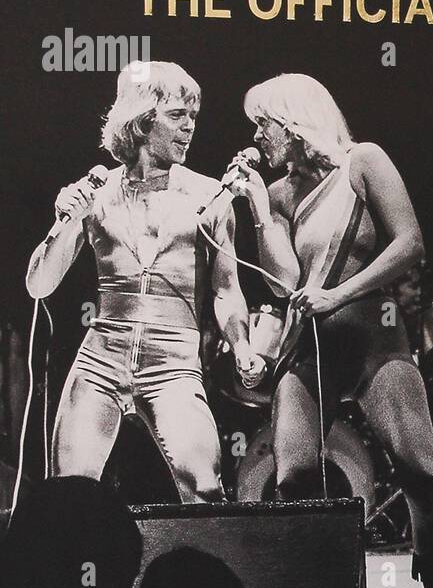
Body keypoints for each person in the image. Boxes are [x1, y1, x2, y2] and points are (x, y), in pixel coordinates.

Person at [234, 74, 433, 588]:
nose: (258, 137)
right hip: (311, 351)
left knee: (420, 471)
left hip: (376, 343)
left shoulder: (364, 162)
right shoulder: (282, 194)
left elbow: (410, 243)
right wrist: (260, 211)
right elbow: (284, 282)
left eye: (263, 124)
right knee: (295, 478)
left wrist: (338, 293)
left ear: (292, 122)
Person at [25, 61, 261, 502]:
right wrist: (66, 220)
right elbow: (39, 285)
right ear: (142, 117)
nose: (189, 127)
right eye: (177, 115)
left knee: (204, 487)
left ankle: (203, 573)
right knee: (69, 493)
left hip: (172, 363)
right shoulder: (95, 192)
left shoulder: (208, 195)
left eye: (194, 117)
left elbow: (226, 289)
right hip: (101, 358)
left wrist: (243, 347)